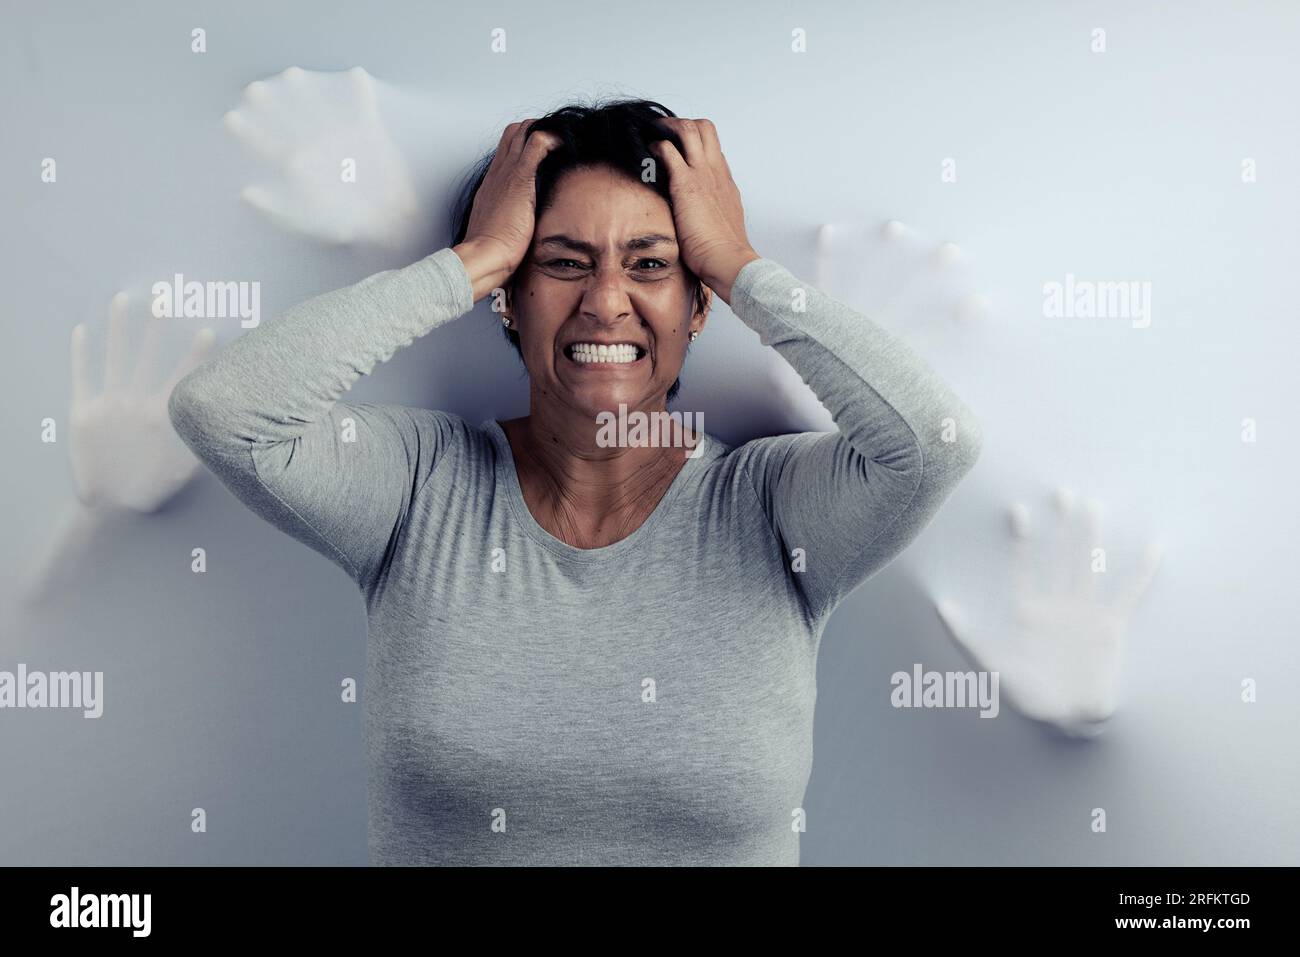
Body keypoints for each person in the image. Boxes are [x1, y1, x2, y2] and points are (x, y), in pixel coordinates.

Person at [168, 99, 982, 866]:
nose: (605, 302)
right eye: (562, 262)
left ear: (697, 306)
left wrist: (738, 265)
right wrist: (470, 261)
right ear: (510, 300)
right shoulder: (417, 486)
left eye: (651, 265)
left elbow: (933, 444)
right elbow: (225, 410)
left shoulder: (771, 508)